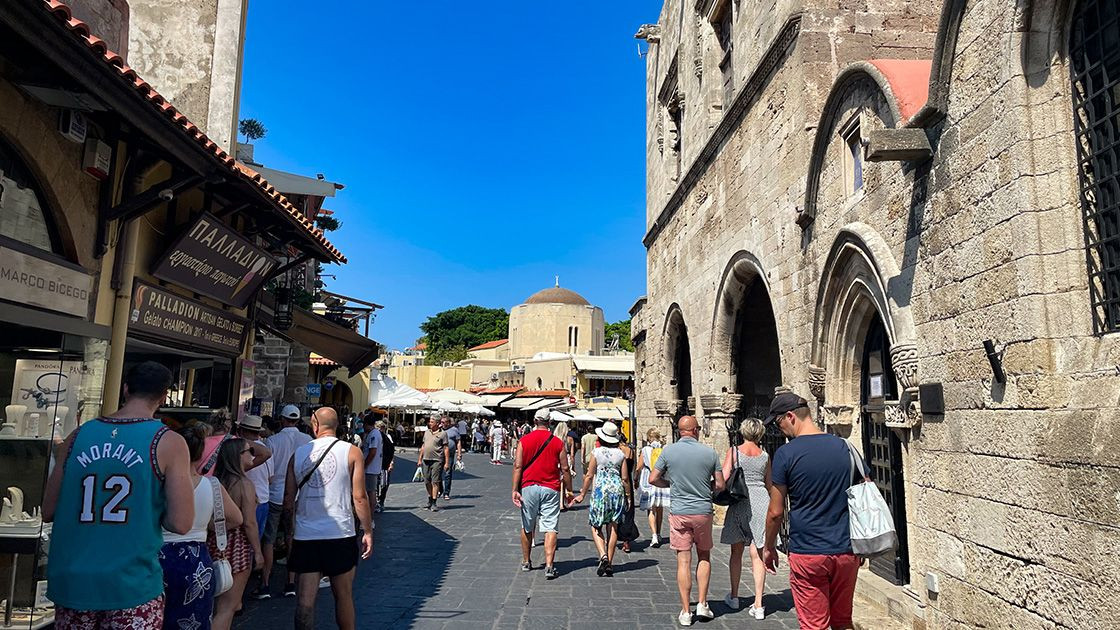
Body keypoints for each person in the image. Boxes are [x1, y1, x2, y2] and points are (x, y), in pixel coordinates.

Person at [42, 362, 194, 629]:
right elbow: (180, 522)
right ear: (163, 396)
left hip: (74, 581)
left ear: (125, 389)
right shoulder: (168, 442)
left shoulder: (78, 436)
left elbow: (48, 509)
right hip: (131, 583)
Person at [764, 393, 861, 630]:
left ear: (790, 416)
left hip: (808, 551)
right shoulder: (845, 447)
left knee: (813, 625)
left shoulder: (786, 454)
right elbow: (862, 490)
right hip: (846, 550)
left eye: (778, 423)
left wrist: (768, 547)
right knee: (842, 621)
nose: (780, 430)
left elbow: (776, 512)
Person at [283, 407, 374, 630]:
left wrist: (290, 531)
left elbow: (288, 500)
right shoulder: (352, 452)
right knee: (343, 596)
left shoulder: (298, 455)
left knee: (305, 601)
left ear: (315, 425)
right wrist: (368, 530)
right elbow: (359, 497)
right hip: (340, 533)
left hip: (306, 535)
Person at [158, 422, 242, 630]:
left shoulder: (158, 483)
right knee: (194, 619)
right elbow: (236, 518)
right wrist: (206, 525)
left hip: (157, 555)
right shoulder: (211, 485)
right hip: (196, 560)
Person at [648, 416, 725, 627]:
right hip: (702, 511)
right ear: (695, 430)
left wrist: (671, 484)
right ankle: (702, 603)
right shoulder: (709, 453)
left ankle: (685, 611)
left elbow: (652, 478)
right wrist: (706, 488)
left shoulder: (669, 451)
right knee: (704, 556)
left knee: (683, 560)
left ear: (680, 430)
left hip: (680, 511)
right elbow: (720, 484)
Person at [511, 408, 573, 579]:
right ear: (550, 421)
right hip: (551, 488)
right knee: (550, 526)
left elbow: (517, 466)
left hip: (528, 486)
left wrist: (515, 489)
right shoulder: (557, 443)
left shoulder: (524, 441)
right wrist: (568, 490)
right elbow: (565, 468)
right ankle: (549, 565)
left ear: (534, 420)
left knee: (527, 525)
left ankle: (526, 561)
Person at [258, 404, 311, 599]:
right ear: (297, 420)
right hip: (296, 494)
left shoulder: (272, 441)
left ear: (281, 419)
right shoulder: (307, 441)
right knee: (292, 537)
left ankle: (264, 583)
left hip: (274, 494)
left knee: (269, 539)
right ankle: (290, 582)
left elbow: (269, 472)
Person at [720, 418, 772, 618]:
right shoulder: (765, 455)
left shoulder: (734, 451)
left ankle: (734, 596)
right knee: (758, 553)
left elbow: (724, 477)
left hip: (739, 500)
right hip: (761, 500)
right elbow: (769, 482)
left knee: (736, 550)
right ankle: (758, 604)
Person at [212, 437, 265, 630]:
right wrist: (258, 551)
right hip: (236, 545)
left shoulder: (216, 481)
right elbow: (250, 522)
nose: (252, 454)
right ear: (237, 456)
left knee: (215, 604)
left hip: (214, 542)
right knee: (228, 607)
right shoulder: (244, 484)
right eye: (248, 451)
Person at [573, 421, 631, 577]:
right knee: (613, 527)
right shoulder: (621, 454)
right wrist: (628, 496)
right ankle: (610, 563)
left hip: (600, 492)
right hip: (617, 490)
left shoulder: (596, 453)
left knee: (596, 525)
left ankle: (603, 556)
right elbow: (625, 478)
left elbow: (589, 475)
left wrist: (582, 494)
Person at [237, 415, 273, 541]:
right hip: (264, 499)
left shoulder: (241, 449)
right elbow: (271, 479)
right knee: (256, 540)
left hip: (247, 501)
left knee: (243, 542)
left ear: (242, 431)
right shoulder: (266, 448)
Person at [637, 428, 671, 547]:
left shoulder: (645, 449)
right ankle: (659, 533)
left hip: (649, 481)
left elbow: (639, 467)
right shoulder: (664, 449)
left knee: (651, 509)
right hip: (661, 480)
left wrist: (636, 478)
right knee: (660, 508)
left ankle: (654, 535)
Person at [416, 416, 449, 511]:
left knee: (435, 481)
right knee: (427, 481)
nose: (430, 423)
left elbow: (446, 448)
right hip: (426, 459)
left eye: (432, 422)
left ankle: (434, 502)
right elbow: (423, 445)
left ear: (437, 423)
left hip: (437, 460)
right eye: (430, 422)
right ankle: (430, 498)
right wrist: (419, 459)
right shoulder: (427, 432)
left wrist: (446, 462)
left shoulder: (443, 434)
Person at [361, 415, 383, 513]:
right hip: (372, 468)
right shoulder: (374, 433)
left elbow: (372, 452)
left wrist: (365, 465)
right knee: (370, 491)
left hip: (370, 469)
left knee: (370, 492)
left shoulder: (374, 435)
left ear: (366, 424)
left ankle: (370, 517)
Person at [440, 416, 464, 499]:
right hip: (439, 453)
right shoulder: (439, 430)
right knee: (437, 472)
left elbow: (458, 442)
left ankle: (446, 492)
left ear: (448, 422)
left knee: (447, 473)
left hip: (450, 454)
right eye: (441, 422)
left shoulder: (454, 430)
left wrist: (459, 454)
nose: (442, 424)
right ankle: (440, 489)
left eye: (443, 422)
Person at [376, 419, 395, 511]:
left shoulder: (388, 437)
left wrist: (391, 463)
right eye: (378, 428)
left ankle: (381, 500)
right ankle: (376, 502)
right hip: (375, 464)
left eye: (382, 428)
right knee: (375, 484)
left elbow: (391, 451)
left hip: (384, 464)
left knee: (384, 483)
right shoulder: (374, 437)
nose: (380, 430)